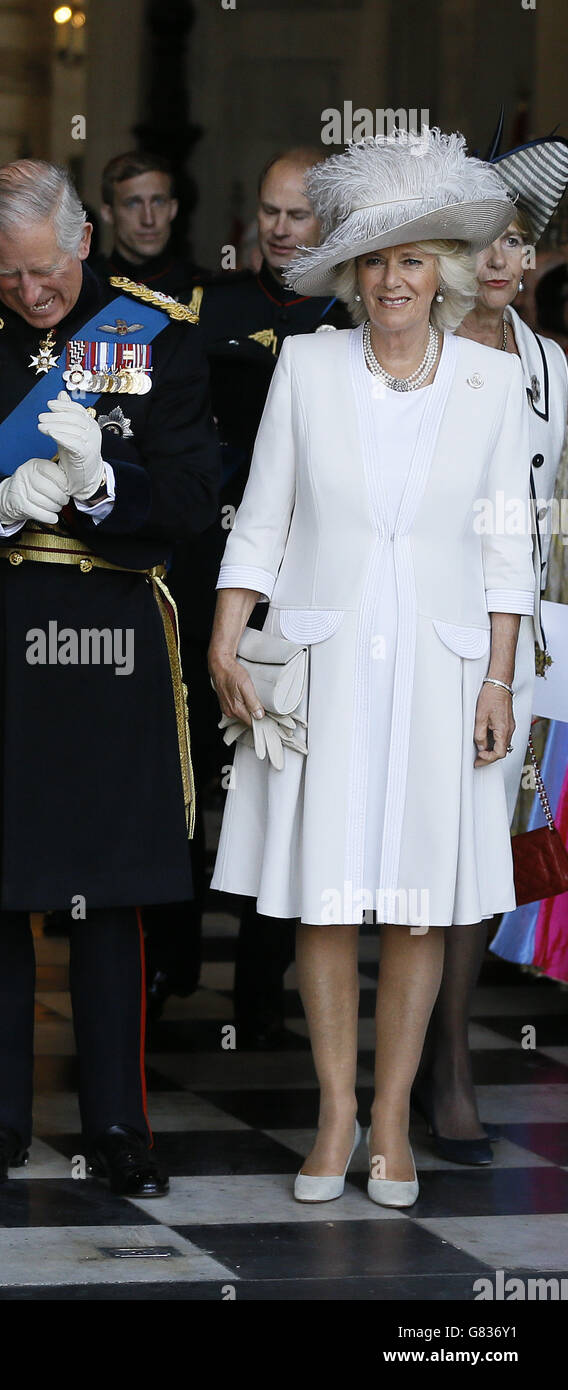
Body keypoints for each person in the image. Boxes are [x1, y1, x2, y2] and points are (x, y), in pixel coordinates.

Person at [209, 127, 534, 1208]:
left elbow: (505, 548)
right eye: (374, 262)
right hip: (326, 662)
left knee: (414, 904)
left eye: (411, 261)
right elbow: (261, 517)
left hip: (442, 676)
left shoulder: (491, 384)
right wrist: (223, 634)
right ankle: (334, 1113)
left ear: (439, 274)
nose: (392, 281)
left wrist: (497, 679)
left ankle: (393, 1116)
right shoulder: (305, 364)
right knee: (326, 901)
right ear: (350, 275)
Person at [0, 159, 220, 1195]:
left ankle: (119, 1126)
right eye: (6, 274)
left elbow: (197, 494)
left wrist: (106, 484)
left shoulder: (150, 330)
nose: (30, 293)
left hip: (106, 631)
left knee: (104, 892)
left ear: (80, 238)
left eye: (44, 271)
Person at [146, 149, 350, 1036]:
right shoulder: (207, 305)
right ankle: (171, 960)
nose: (278, 228)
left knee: (286, 771)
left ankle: (264, 984)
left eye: (298, 215)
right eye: (269, 211)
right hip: (205, 567)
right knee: (184, 766)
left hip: (306, 574)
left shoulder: (354, 318)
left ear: (331, 224)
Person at [420, 135, 568, 1163]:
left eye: (521, 242)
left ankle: (449, 1052)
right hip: (427, 621)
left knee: (489, 853)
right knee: (416, 850)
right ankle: (401, 1055)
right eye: (487, 242)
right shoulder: (416, 346)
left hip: (524, 643)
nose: (506, 260)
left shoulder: (551, 363)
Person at [92, 150, 209, 305]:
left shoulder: (203, 288)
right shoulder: (86, 289)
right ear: (108, 213)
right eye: (133, 203)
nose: (148, 219)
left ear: (173, 209)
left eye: (158, 202)